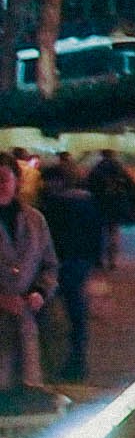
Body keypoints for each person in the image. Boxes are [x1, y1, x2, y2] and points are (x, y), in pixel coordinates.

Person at [37, 157, 106, 381]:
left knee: (47, 311)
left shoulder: (50, 204)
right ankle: (76, 358)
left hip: (61, 263)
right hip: (79, 262)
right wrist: (95, 261)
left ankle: (51, 359)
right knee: (76, 312)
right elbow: (97, 232)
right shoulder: (87, 201)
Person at [0, 161, 54, 401]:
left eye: (3, 179)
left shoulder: (35, 221)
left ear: (16, 182)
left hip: (27, 322)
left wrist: (40, 292)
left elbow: (49, 264)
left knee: (27, 392)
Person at [87, 152, 131, 267]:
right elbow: (130, 184)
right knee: (114, 232)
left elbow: (90, 183)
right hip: (116, 203)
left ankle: (99, 260)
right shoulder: (119, 168)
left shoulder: (98, 168)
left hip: (101, 203)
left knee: (100, 232)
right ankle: (112, 260)